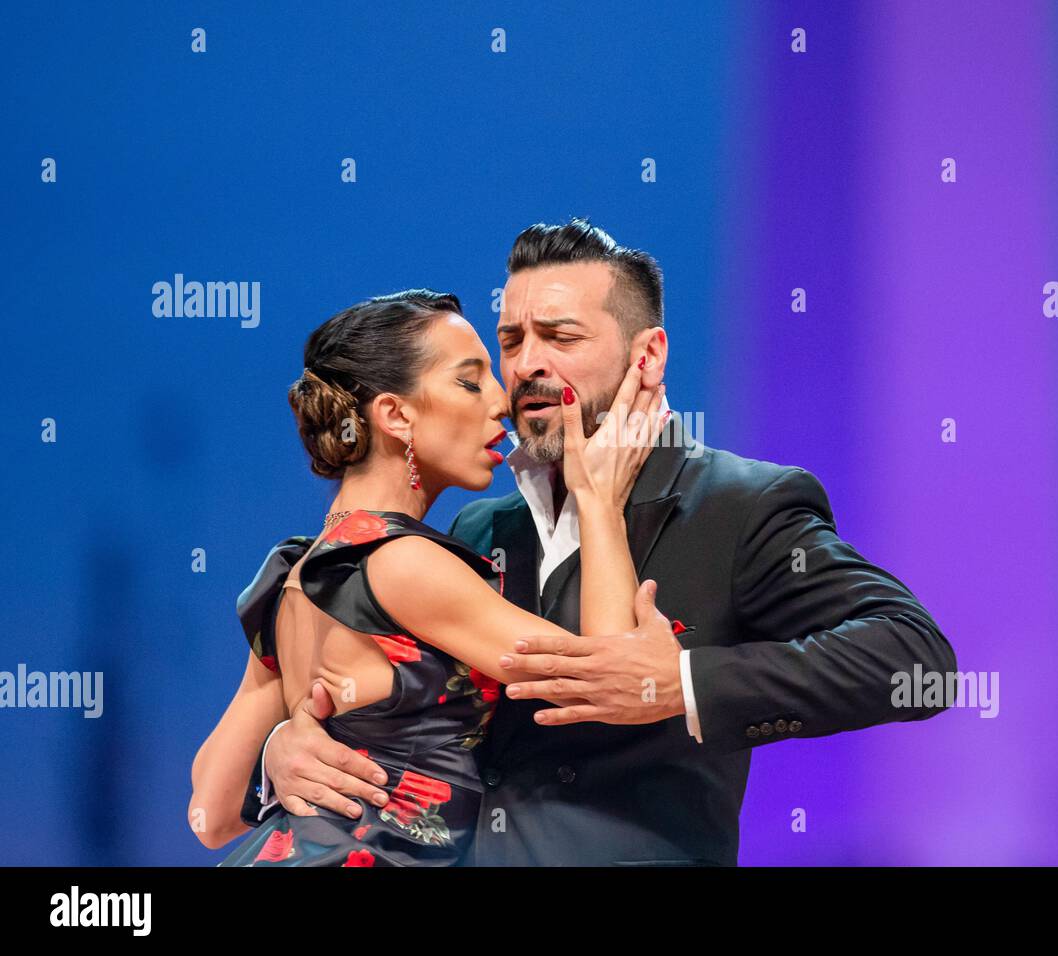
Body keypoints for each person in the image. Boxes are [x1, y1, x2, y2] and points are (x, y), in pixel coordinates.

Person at [229, 219, 958, 866]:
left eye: (561, 336)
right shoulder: (480, 527)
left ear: (647, 356)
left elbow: (913, 656)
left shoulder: (739, 505)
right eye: (511, 341)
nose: (524, 367)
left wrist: (686, 684)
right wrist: (289, 749)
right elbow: (421, 720)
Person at [189, 287, 666, 865]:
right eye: (470, 381)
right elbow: (605, 681)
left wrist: (279, 750)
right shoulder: (404, 563)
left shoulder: (294, 576)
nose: (502, 400)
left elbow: (212, 811)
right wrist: (598, 499)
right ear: (394, 414)